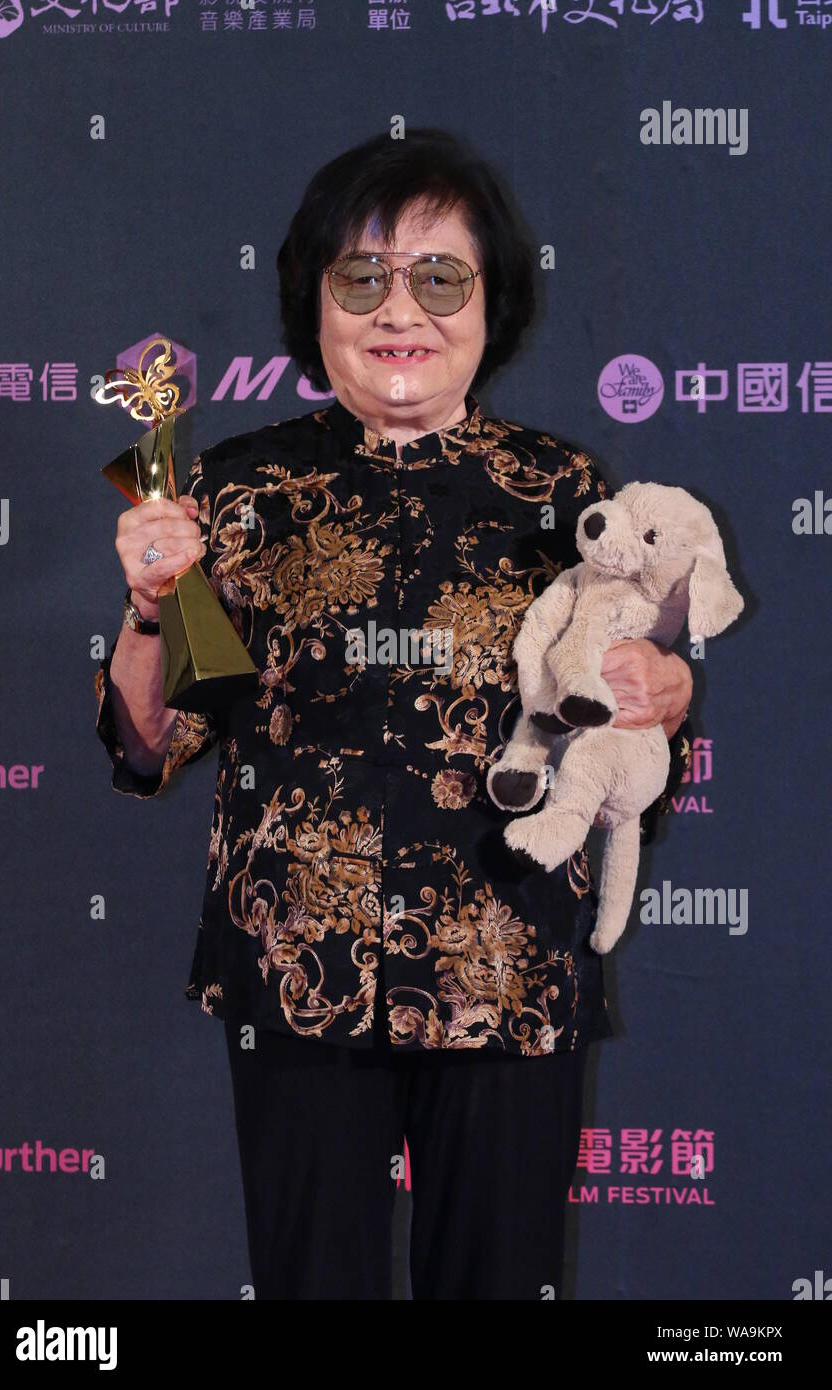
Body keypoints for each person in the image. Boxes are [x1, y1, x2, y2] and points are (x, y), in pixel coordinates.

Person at [94, 128, 693, 1301]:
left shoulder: (565, 494)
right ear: (312, 302)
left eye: (438, 277)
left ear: (491, 302)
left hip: (505, 964)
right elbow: (152, 741)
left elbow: (628, 700)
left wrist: (662, 691)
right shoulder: (234, 489)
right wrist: (150, 608)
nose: (398, 311)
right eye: (360, 278)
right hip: (294, 964)